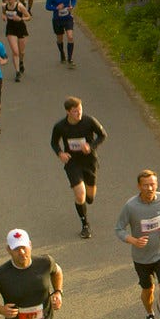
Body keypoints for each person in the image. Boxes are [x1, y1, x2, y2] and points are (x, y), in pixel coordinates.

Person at [117, 170, 160, 319]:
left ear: (156, 184)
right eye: (145, 185)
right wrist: (134, 240)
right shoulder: (131, 206)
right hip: (141, 258)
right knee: (148, 289)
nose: (149, 188)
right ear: (139, 186)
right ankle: (150, 313)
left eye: (152, 184)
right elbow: (119, 229)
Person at [52, 96, 109, 238]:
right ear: (68, 112)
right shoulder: (60, 126)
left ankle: (87, 202)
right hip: (72, 162)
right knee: (80, 194)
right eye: (75, 111)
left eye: (80, 110)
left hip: (89, 161)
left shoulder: (89, 121)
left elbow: (102, 135)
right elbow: (54, 142)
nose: (79, 113)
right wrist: (60, 153)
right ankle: (85, 225)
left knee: (89, 197)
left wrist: (91, 146)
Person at [44, 0, 78, 67]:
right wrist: (56, 8)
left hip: (67, 18)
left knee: (70, 37)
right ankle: (62, 53)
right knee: (60, 39)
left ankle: (70, 59)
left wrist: (72, 6)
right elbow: (47, 6)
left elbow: (74, 0)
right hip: (57, 20)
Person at [1, 0, 32, 81]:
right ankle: (17, 72)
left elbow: (29, 17)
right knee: (15, 52)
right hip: (10, 29)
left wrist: (21, 19)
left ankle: (21, 62)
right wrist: (4, 16)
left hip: (21, 29)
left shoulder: (20, 6)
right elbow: (3, 13)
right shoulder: (4, 6)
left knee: (21, 52)